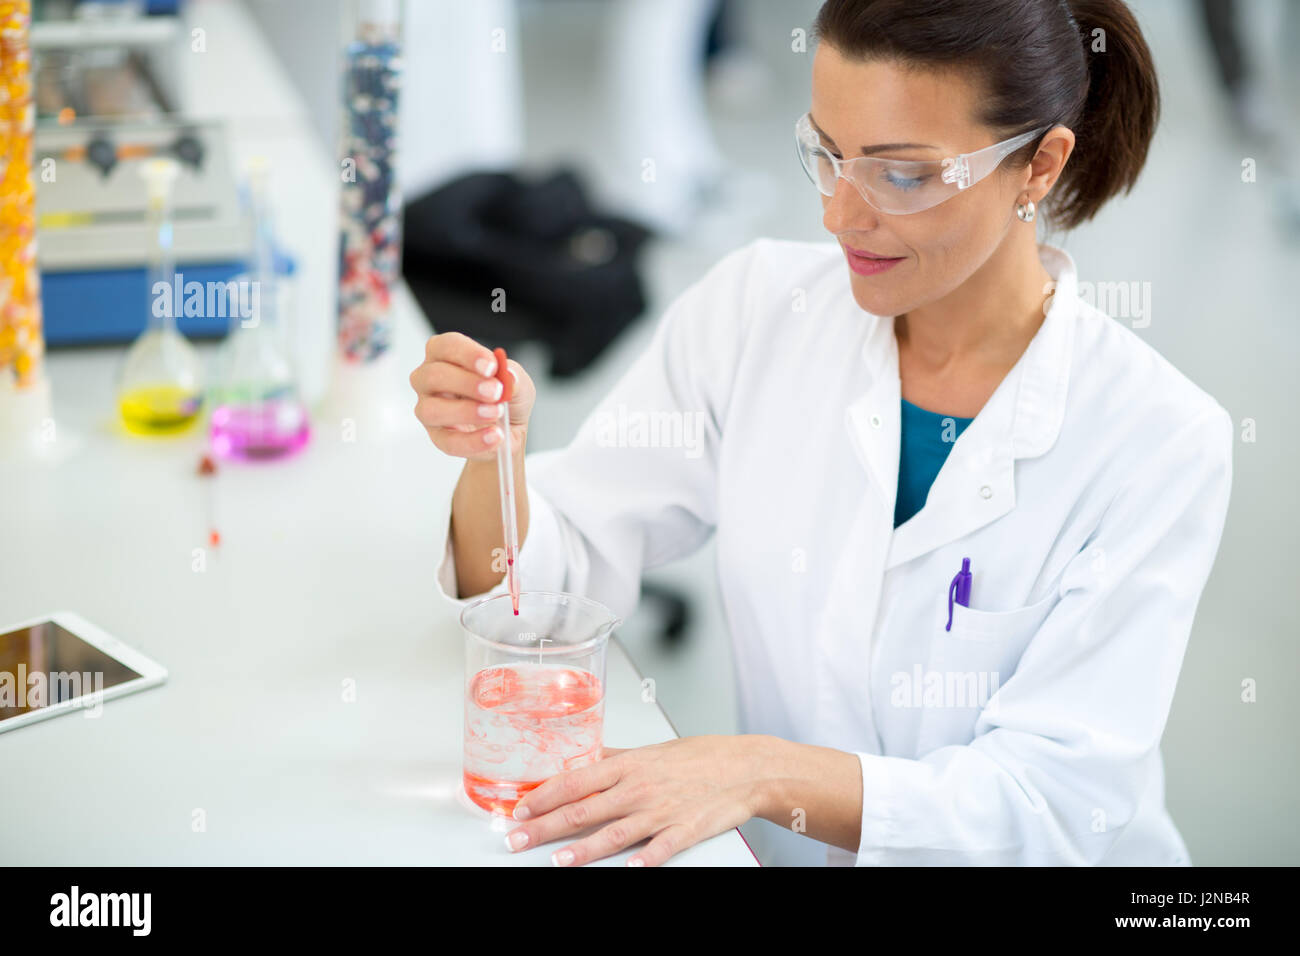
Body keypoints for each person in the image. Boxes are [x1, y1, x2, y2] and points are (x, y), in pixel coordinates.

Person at [409, 0, 1233, 867]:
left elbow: (1054, 807)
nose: (841, 215)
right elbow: (548, 587)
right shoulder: (756, 310)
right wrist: (493, 461)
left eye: (902, 176)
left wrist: (765, 774)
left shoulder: (1157, 441)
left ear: (1038, 165)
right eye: (827, 155)